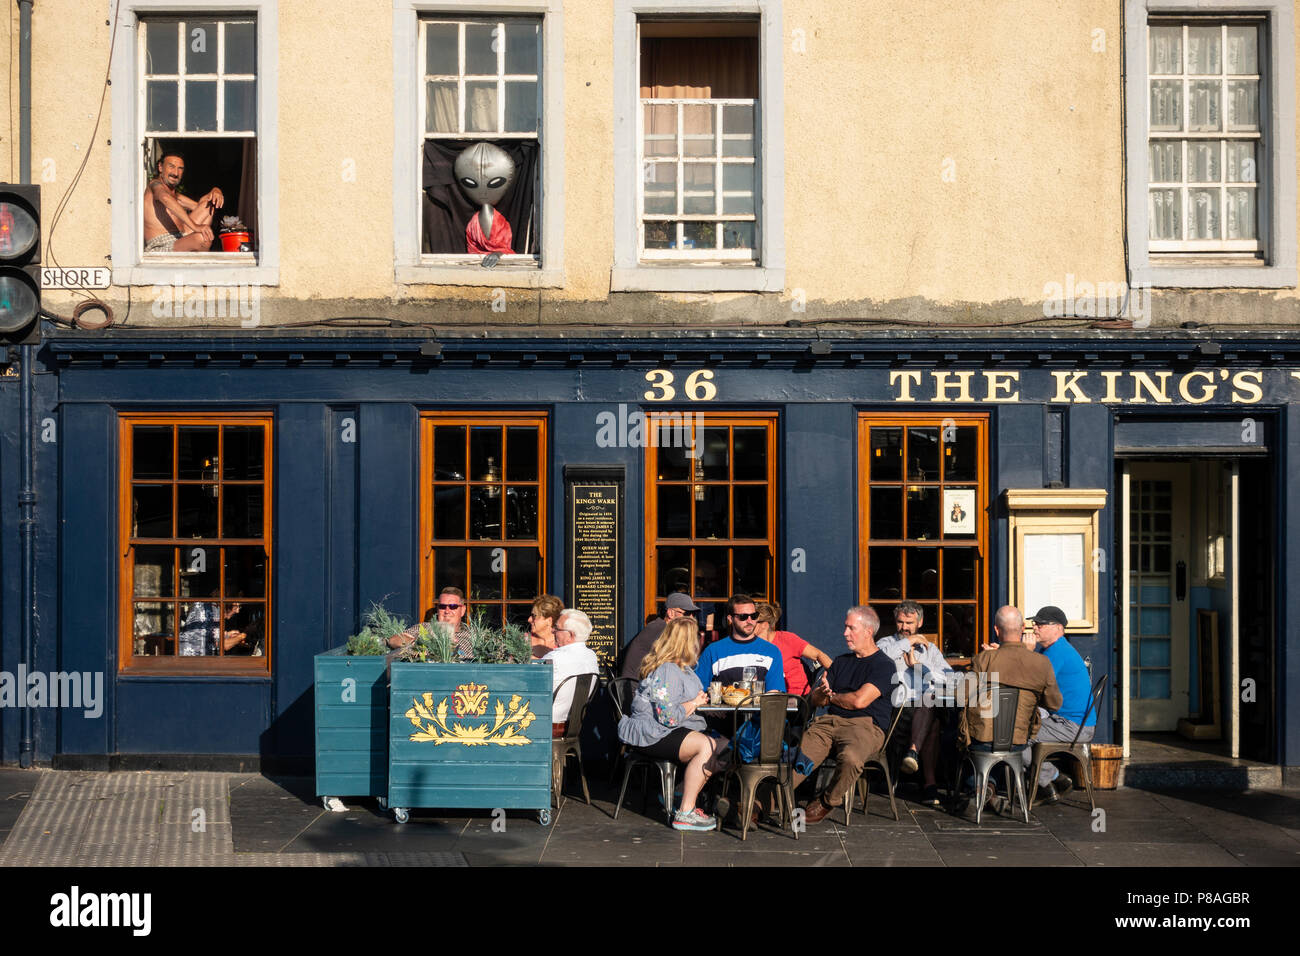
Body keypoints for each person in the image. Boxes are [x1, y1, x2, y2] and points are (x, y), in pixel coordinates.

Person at [617, 617, 730, 832]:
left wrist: (710, 707)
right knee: (705, 746)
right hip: (653, 733)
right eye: (697, 638)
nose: (700, 643)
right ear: (687, 642)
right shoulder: (668, 670)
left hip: (672, 729)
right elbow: (668, 717)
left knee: (725, 746)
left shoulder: (686, 670)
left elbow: (688, 705)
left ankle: (680, 791)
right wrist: (695, 703)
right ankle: (685, 813)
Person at [790, 605, 898, 824]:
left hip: (865, 726)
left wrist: (830, 697)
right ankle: (759, 805)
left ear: (868, 631)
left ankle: (828, 800)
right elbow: (816, 700)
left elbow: (859, 701)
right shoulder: (841, 662)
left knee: (851, 758)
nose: (845, 633)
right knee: (797, 759)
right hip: (829, 723)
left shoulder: (884, 665)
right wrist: (821, 695)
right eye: (845, 627)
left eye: (851, 628)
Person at [958, 606, 1063, 813]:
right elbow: (1054, 703)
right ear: (1023, 628)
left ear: (997, 630)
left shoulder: (983, 659)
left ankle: (978, 788)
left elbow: (962, 696)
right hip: (1018, 743)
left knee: (955, 740)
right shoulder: (1041, 663)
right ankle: (988, 789)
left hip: (983, 742)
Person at [876, 600, 955, 806]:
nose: (904, 627)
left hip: (923, 708)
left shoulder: (930, 650)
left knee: (929, 704)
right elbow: (878, 659)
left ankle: (913, 753)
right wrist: (908, 643)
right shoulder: (886, 644)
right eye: (901, 622)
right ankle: (929, 784)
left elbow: (950, 678)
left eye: (909, 623)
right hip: (895, 710)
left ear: (919, 623)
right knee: (932, 722)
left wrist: (920, 667)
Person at [1027, 605, 1095, 803]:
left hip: (1072, 726)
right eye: (1034, 623)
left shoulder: (1056, 653)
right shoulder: (1055, 650)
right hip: (1067, 722)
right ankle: (1053, 780)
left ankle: (1051, 779)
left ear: (1058, 628)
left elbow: (1032, 686)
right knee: (1018, 731)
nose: (1035, 628)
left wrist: (1026, 653)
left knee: (1016, 735)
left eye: (1040, 624)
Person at [694, 593, 786, 692]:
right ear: (730, 619)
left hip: (761, 707)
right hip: (722, 707)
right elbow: (698, 690)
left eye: (754, 616)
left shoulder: (772, 651)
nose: (749, 621)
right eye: (743, 617)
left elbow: (774, 693)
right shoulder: (713, 651)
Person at [143, 152, 225, 253]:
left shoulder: (175, 195)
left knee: (210, 203)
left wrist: (216, 190)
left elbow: (203, 207)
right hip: (160, 245)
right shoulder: (154, 185)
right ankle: (198, 261)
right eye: (171, 166)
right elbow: (164, 198)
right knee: (203, 238)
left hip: (180, 237)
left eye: (180, 168)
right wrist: (195, 227)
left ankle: (195, 252)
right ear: (160, 167)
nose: (175, 173)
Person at [754, 600, 831, 697]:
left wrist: (838, 679)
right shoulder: (752, 645)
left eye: (753, 621)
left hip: (798, 699)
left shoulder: (787, 639)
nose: (748, 624)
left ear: (764, 625)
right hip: (768, 699)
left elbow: (818, 655)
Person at [543, 608, 600, 737]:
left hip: (547, 725)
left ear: (570, 635)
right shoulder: (591, 656)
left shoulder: (554, 658)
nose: (553, 631)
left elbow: (530, 686)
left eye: (557, 628)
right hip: (575, 724)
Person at [620, 591, 699, 679]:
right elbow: (678, 662)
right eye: (687, 613)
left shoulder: (660, 626)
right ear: (671, 613)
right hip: (639, 688)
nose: (691, 618)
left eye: (694, 614)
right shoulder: (659, 629)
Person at [388, 587, 473, 657]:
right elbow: (393, 640)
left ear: (462, 610)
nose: (447, 611)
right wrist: (419, 643)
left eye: (453, 606)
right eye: (442, 606)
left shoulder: (472, 636)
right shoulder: (424, 628)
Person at [527, 594, 564, 659]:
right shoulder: (523, 641)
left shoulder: (563, 643)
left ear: (549, 621)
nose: (529, 619)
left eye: (534, 616)